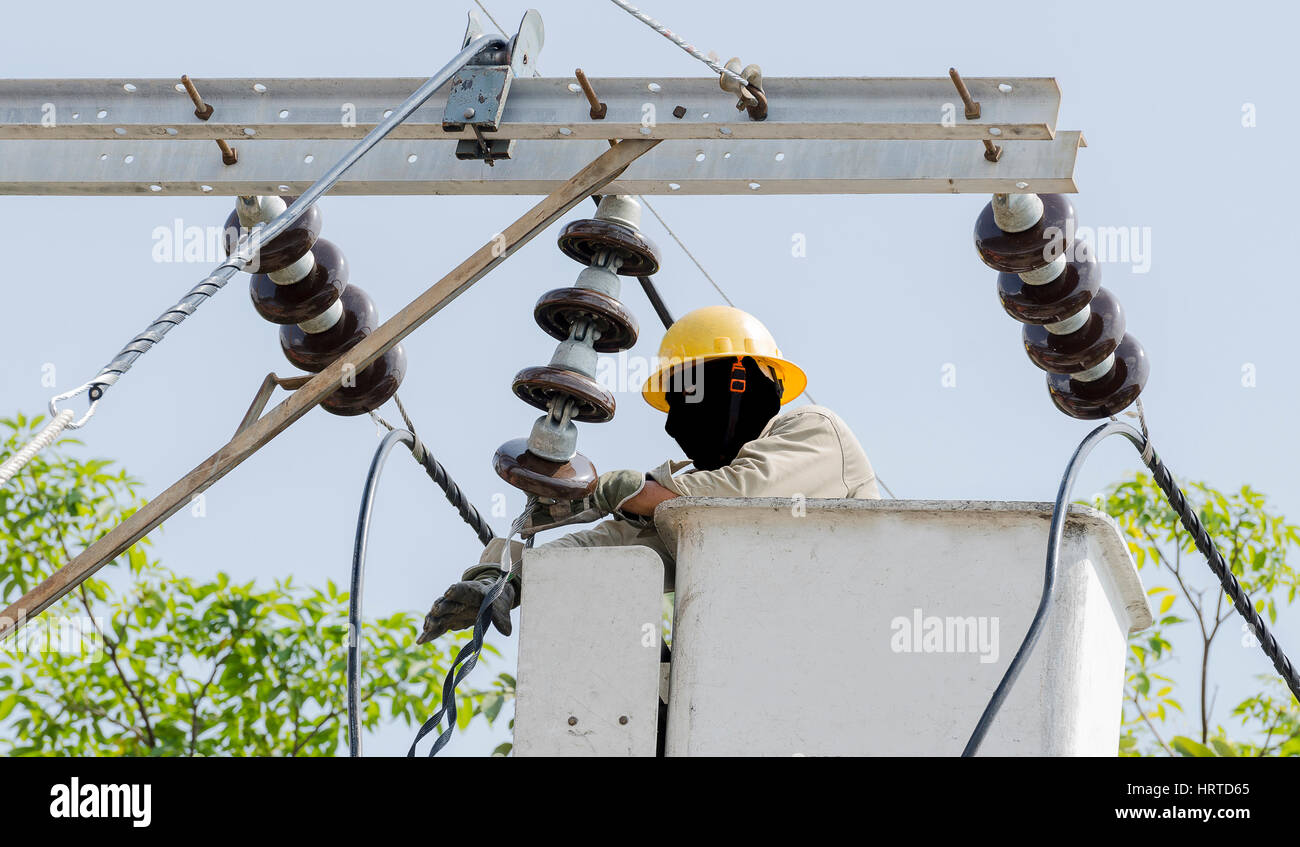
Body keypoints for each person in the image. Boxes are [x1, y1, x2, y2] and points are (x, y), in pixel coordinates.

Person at [418, 305, 881, 643]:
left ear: (743, 379)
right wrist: (506, 576)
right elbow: (610, 545)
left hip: (846, 645)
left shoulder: (814, 433)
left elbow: (740, 497)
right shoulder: (686, 500)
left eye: (692, 393)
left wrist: (611, 490)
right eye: (674, 401)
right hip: (749, 673)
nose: (677, 420)